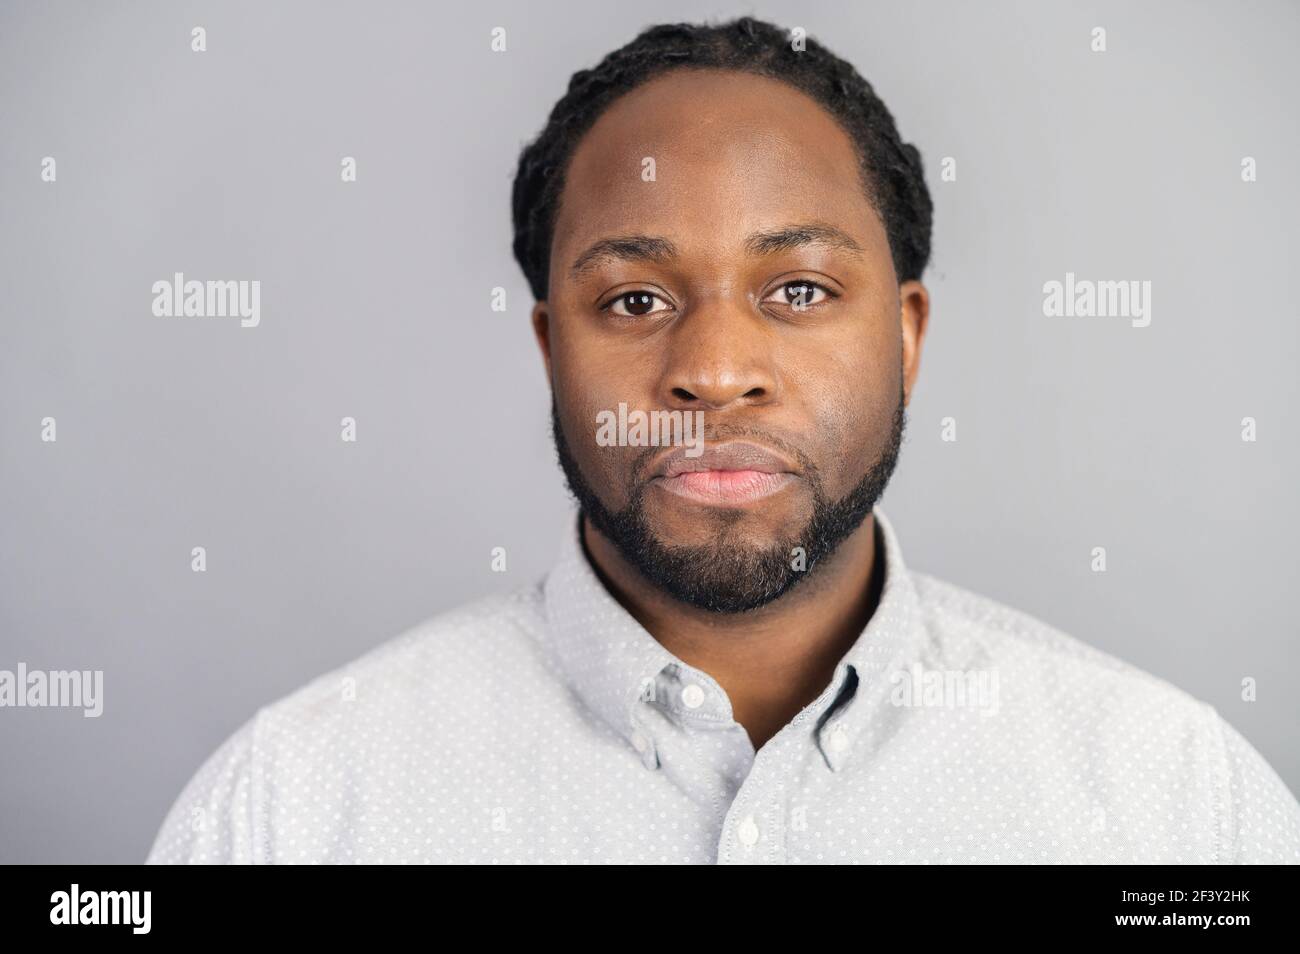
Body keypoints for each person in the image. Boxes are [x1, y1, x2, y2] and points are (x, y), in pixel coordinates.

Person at [146, 15, 1300, 864]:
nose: (710, 371)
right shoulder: (289, 807)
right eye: (635, 301)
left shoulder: (1174, 804)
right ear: (552, 349)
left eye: (796, 289)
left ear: (905, 337)